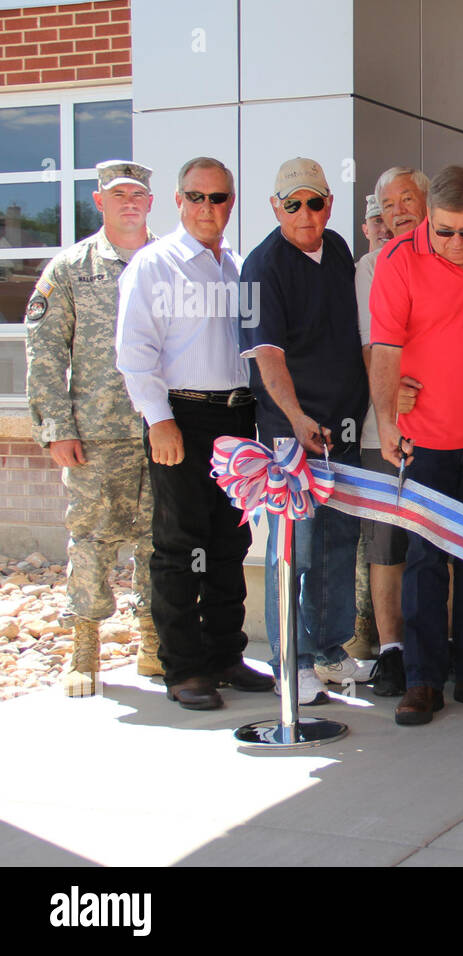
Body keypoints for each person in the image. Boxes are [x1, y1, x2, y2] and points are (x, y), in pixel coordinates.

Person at [116, 156, 273, 710]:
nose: (210, 207)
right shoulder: (154, 265)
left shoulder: (236, 265)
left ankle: (225, 654)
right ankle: (183, 668)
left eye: (220, 197)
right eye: (198, 196)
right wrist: (158, 419)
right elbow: (134, 351)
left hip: (236, 417)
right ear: (179, 201)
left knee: (229, 540)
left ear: (231, 202)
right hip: (180, 418)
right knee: (181, 545)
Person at [369, 164, 463, 725]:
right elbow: (385, 347)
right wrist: (386, 419)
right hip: (424, 439)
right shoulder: (397, 260)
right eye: (445, 232)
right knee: (428, 559)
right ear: (428, 217)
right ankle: (423, 679)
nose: (458, 244)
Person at [238, 157, 372, 705]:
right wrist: (295, 418)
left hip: (343, 428)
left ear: (328, 205)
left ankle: (328, 649)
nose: (304, 213)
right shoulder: (261, 266)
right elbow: (267, 356)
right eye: (291, 204)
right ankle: (287, 660)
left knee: (341, 540)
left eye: (314, 202)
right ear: (275, 208)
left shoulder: (338, 248)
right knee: (297, 546)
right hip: (291, 434)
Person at [26, 160, 160, 696]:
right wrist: (56, 425)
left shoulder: (167, 261)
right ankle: (85, 651)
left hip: (160, 429)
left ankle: (152, 644)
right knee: (91, 540)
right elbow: (44, 350)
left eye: (138, 194)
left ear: (152, 202)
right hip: (95, 434)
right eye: (118, 193)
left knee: (160, 542)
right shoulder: (71, 268)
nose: (129, 201)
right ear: (99, 201)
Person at [353, 166, 430, 697]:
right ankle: (392, 652)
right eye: (389, 203)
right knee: (387, 545)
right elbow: (368, 346)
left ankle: (436, 648)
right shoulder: (371, 267)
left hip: (443, 427)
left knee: (436, 542)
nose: (399, 210)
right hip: (384, 428)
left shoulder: (448, 253)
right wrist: (388, 395)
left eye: (409, 198)